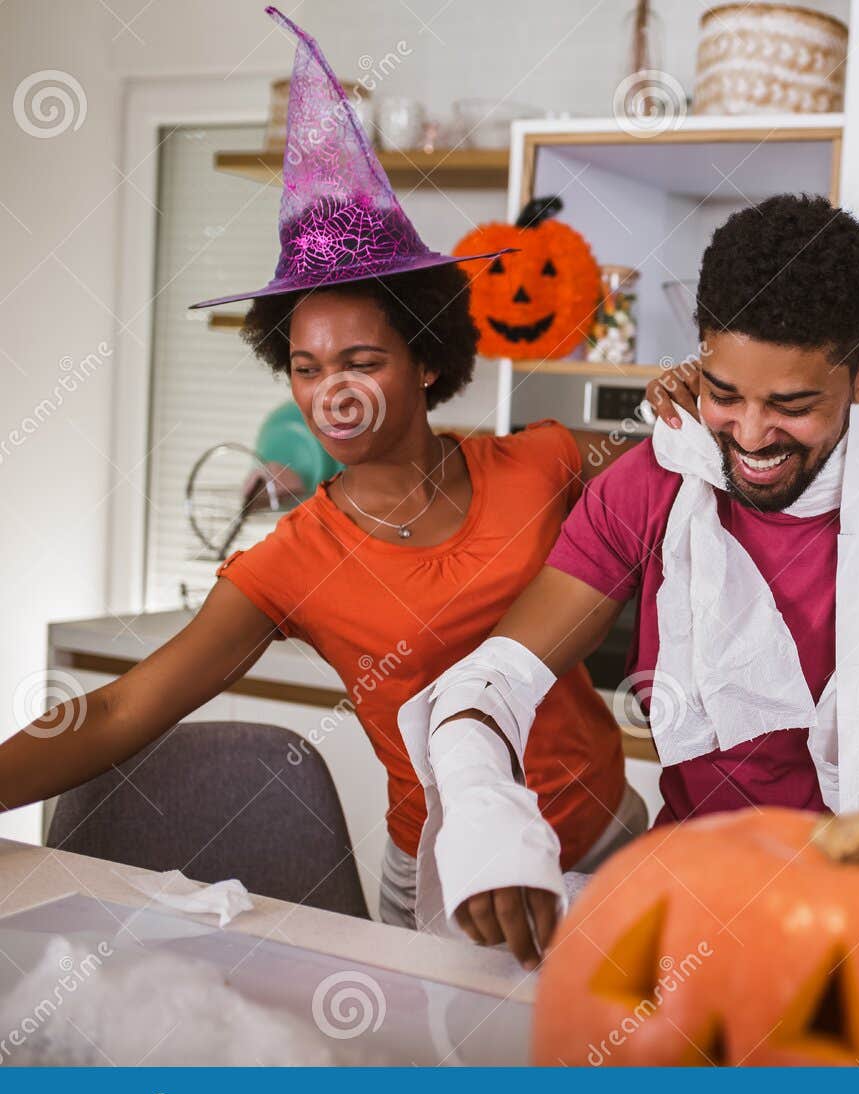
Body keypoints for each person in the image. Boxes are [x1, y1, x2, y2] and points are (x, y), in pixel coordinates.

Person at [0, 8, 642, 929]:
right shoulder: (293, 561)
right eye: (306, 368)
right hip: (448, 882)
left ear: (427, 361)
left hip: (609, 841)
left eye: (361, 362)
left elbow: (671, 455)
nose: (330, 392)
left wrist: (688, 400)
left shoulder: (538, 462)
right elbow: (119, 710)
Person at [401, 194, 859, 966]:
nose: (750, 435)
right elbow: (492, 683)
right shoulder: (655, 485)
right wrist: (484, 812)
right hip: (681, 920)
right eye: (724, 394)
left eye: (792, 405)